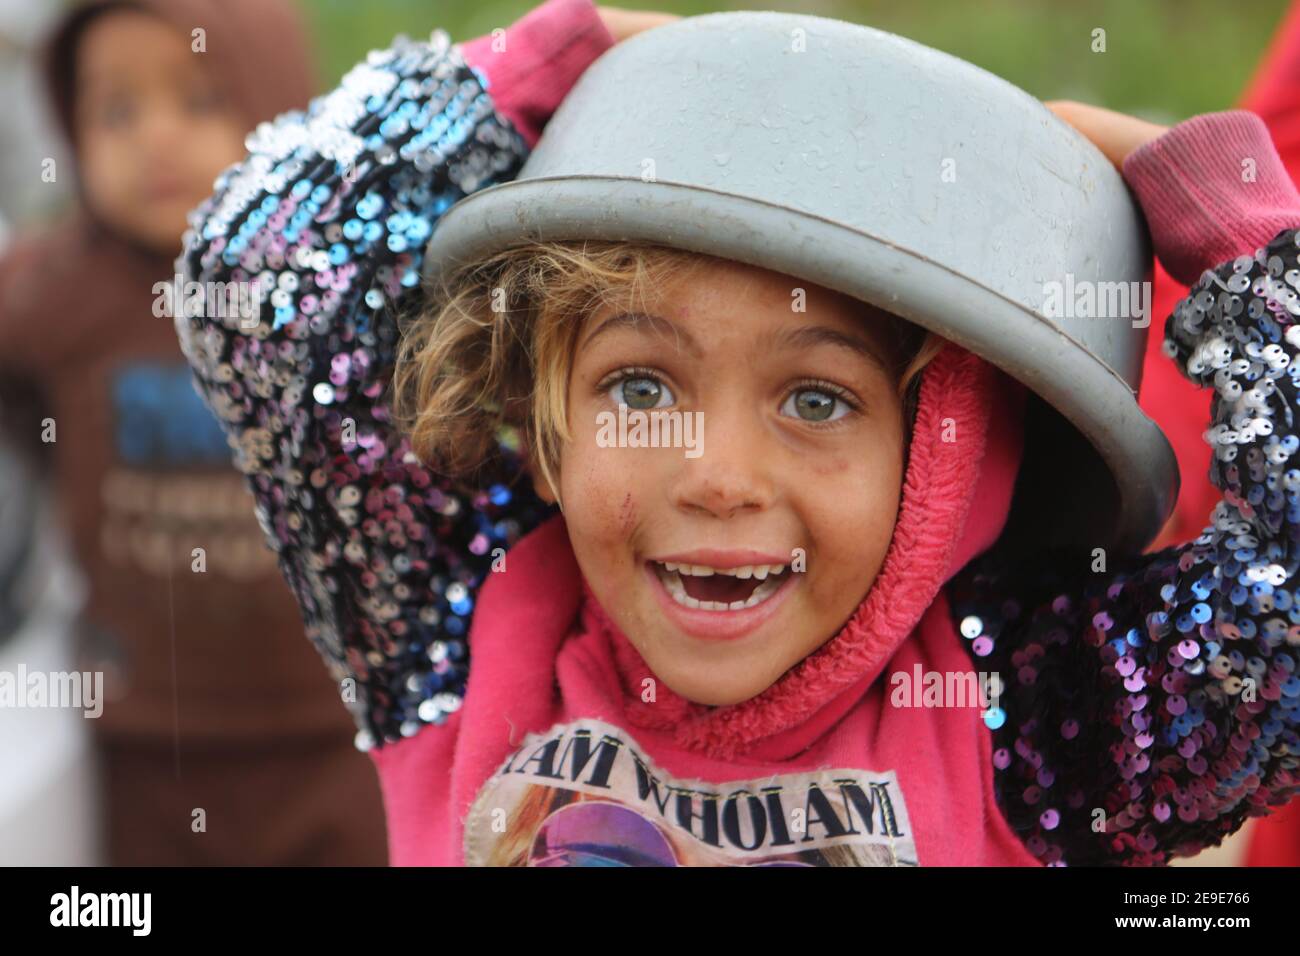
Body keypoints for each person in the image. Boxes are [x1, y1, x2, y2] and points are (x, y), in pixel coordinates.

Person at [175, 0, 1300, 864]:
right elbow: (263, 279)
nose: (716, 476)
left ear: (939, 463)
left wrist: (1252, 253)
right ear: (541, 407)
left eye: (816, 400)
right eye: (640, 386)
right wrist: (545, 60)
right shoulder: (467, 621)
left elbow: (1279, 626)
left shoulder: (1024, 714)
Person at [0, 0, 387, 865]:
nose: (156, 139)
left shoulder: (331, 285)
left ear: (277, 104)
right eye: (116, 109)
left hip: (329, 729)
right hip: (147, 737)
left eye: (199, 98)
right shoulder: (62, 294)